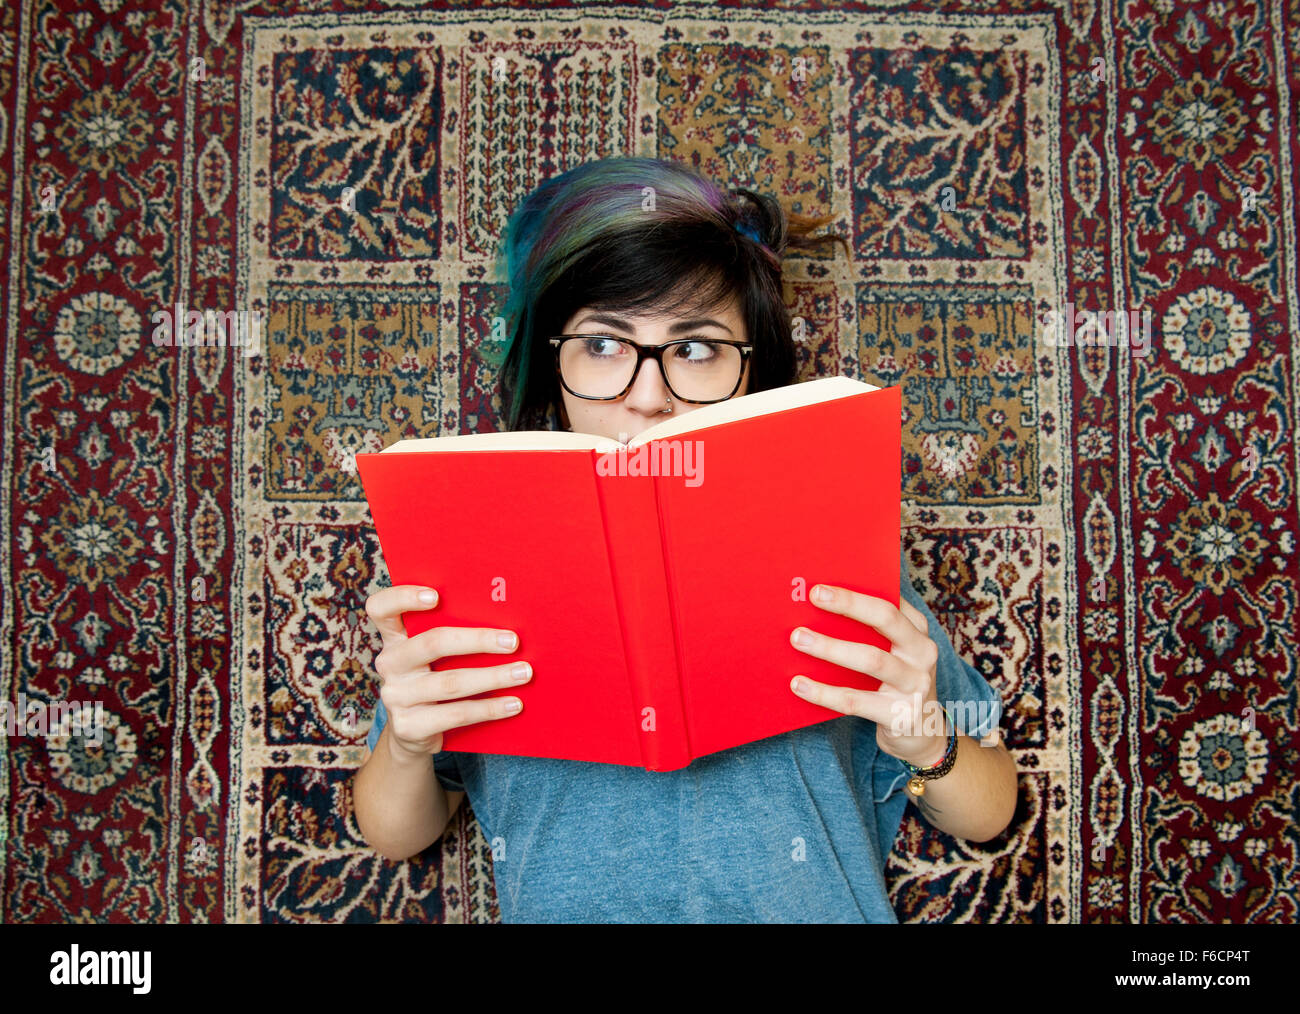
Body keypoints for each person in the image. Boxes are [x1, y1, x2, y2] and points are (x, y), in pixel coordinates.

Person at [352, 156, 1018, 922]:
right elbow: (396, 833)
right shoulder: (476, 545)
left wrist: (928, 740)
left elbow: (990, 809)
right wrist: (405, 747)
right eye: (603, 344)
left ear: (752, 368)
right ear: (552, 362)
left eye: (695, 348)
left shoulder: (832, 531)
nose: (648, 396)